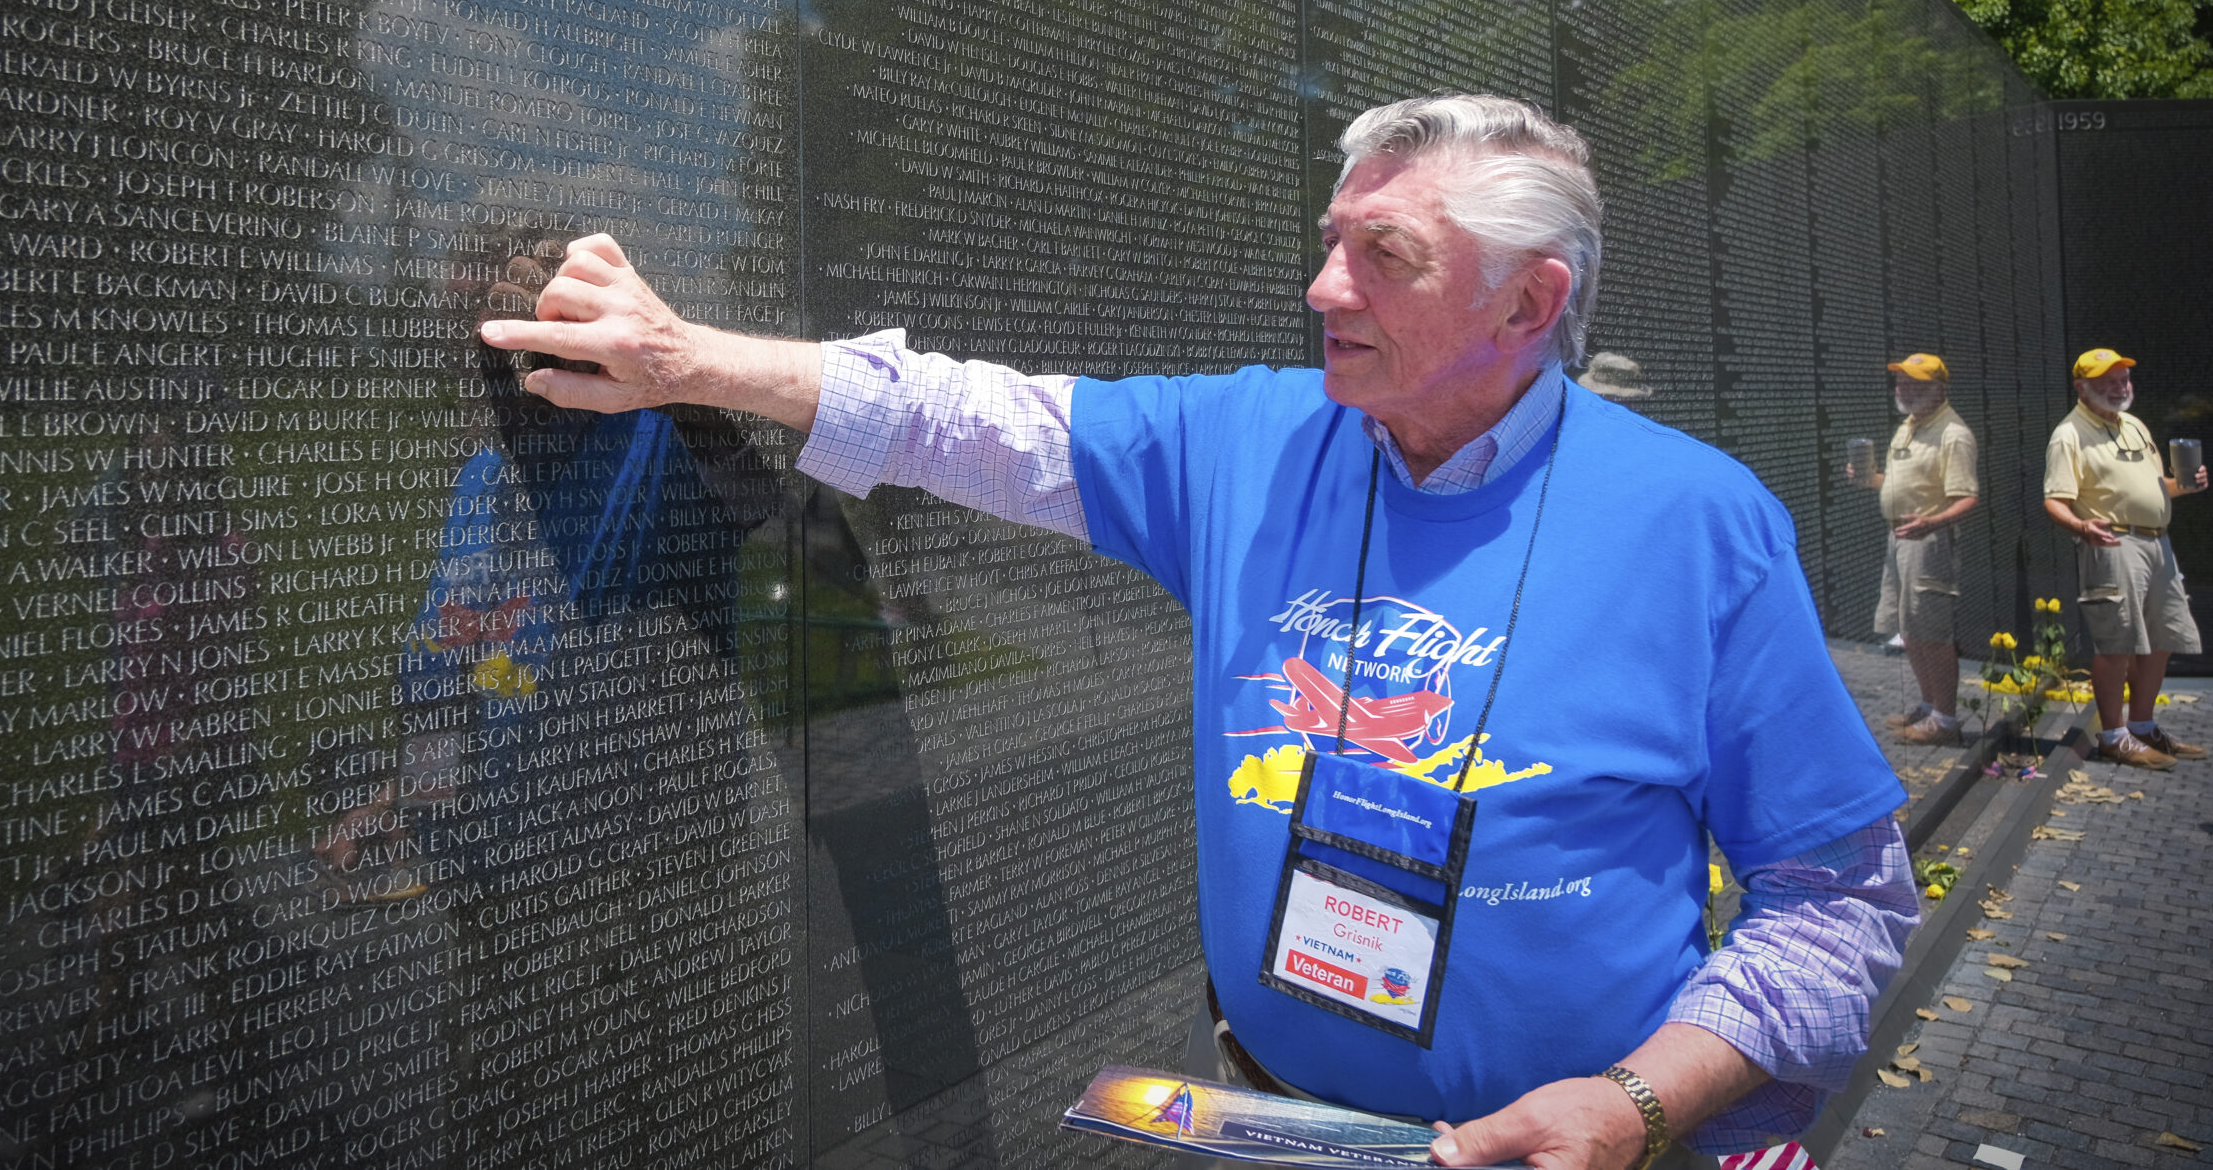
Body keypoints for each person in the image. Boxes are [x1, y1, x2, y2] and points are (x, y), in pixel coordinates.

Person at [479, 95, 1918, 1168]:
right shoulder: (1253, 438)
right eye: (1329, 240)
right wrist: (685, 358)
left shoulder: (1696, 521)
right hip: (1274, 1129)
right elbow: (970, 419)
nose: (1323, 287)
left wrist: (1640, 1100)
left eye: (1384, 254)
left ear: (1528, 303)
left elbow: (1841, 899)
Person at [2043, 349, 2209, 769]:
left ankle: (2142, 727)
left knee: (2162, 639)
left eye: (2122, 379)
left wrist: (2183, 487)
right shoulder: (2069, 434)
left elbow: (2155, 487)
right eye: (2106, 382)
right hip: (2113, 544)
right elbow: (2055, 501)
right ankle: (2114, 736)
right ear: (2081, 388)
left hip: (2158, 544)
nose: (2119, 388)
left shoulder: (2134, 424)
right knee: (2117, 642)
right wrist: (2081, 528)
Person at [1847, 356, 1981, 745]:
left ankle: (1945, 719)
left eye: (1916, 384)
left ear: (1940, 388)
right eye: (1901, 383)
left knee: (1932, 631)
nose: (1904, 390)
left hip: (1928, 542)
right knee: (1911, 630)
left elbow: (1966, 498)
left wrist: (1931, 523)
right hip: (1901, 538)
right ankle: (1928, 705)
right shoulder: (1909, 426)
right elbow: (1905, 482)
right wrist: (1871, 479)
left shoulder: (1953, 434)